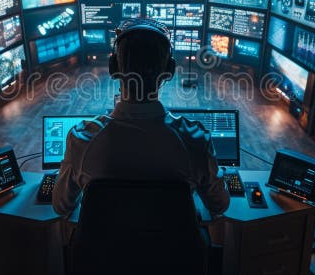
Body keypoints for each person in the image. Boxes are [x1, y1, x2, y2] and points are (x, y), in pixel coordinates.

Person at [52, 18, 230, 217]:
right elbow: (219, 205)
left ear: (112, 67)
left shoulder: (82, 141)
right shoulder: (195, 140)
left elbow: (61, 206)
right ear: (169, 71)